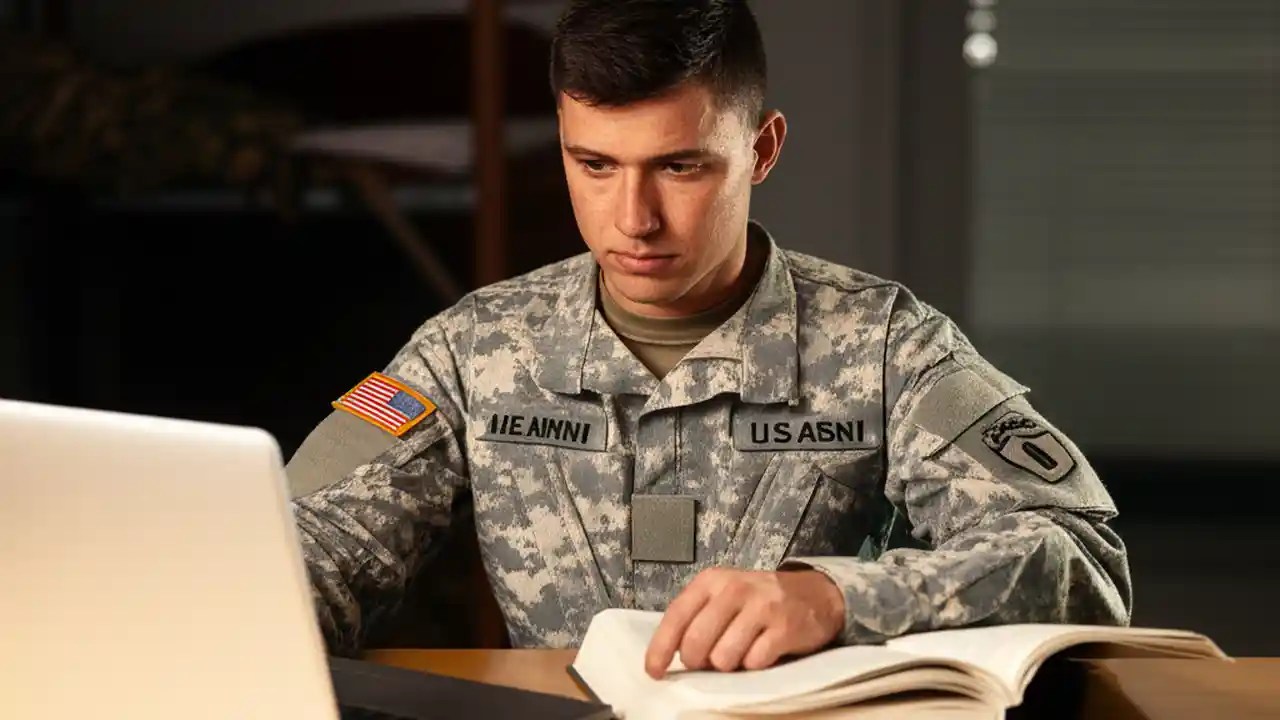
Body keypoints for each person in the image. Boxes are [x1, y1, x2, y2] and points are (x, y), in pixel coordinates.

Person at [289, 0, 1131, 678]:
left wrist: (836, 601)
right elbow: (309, 544)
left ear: (761, 149)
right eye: (596, 165)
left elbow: (1079, 559)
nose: (634, 219)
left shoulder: (885, 345)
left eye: (680, 167)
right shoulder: (473, 347)